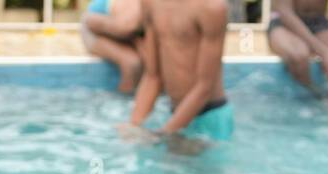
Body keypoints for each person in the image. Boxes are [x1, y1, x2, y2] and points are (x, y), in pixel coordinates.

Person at [124, 0, 231, 146]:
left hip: (210, 117)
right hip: (175, 115)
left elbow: (205, 87)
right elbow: (153, 76)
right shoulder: (150, 3)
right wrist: (134, 125)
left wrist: (163, 133)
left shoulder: (211, 7)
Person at [80, 0, 143, 94]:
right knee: (132, 64)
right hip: (95, 29)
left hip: (124, 28)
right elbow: (126, 27)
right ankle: (123, 102)